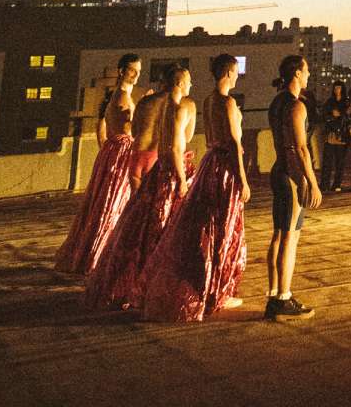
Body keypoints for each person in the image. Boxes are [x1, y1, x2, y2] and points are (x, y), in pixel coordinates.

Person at [141, 54, 250, 322]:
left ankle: (211, 286)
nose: (237, 76)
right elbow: (234, 143)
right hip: (224, 166)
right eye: (235, 72)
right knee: (224, 228)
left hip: (209, 165)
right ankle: (217, 290)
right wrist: (244, 180)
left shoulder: (207, 100)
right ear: (227, 72)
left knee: (207, 226)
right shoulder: (227, 101)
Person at [86, 64, 196, 311]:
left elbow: (135, 130)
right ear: (177, 83)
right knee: (155, 224)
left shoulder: (146, 101)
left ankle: (123, 275)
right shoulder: (178, 104)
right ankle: (145, 277)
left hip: (136, 157)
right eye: (188, 80)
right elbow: (182, 140)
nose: (191, 85)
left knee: (134, 220)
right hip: (155, 159)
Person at [55, 53, 141, 277]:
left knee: (105, 201)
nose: (137, 74)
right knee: (111, 203)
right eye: (133, 70)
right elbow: (128, 128)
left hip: (114, 152)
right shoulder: (122, 96)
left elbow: (105, 126)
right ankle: (98, 254)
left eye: (139, 70)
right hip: (120, 153)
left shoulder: (119, 96)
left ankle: (94, 252)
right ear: (122, 70)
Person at [265, 55, 322, 322]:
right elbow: (300, 147)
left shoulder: (277, 102)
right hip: (291, 176)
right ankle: (283, 299)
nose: (309, 74)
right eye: (306, 70)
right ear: (297, 74)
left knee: (279, 234)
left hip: (278, 170)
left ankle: (275, 293)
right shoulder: (297, 106)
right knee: (290, 237)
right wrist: (311, 181)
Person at [127, 70, 168, 192]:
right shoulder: (174, 103)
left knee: (135, 204)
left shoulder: (144, 101)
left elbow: (134, 132)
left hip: (137, 153)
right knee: (153, 204)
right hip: (156, 156)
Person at [320, 80, 350, 193]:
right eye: (335, 88)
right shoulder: (330, 102)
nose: (337, 90)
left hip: (341, 135)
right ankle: (324, 184)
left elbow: (348, 117)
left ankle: (337, 184)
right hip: (331, 134)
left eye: (339, 88)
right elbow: (324, 115)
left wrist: (341, 114)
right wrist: (332, 116)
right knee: (327, 160)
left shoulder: (346, 102)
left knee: (340, 161)